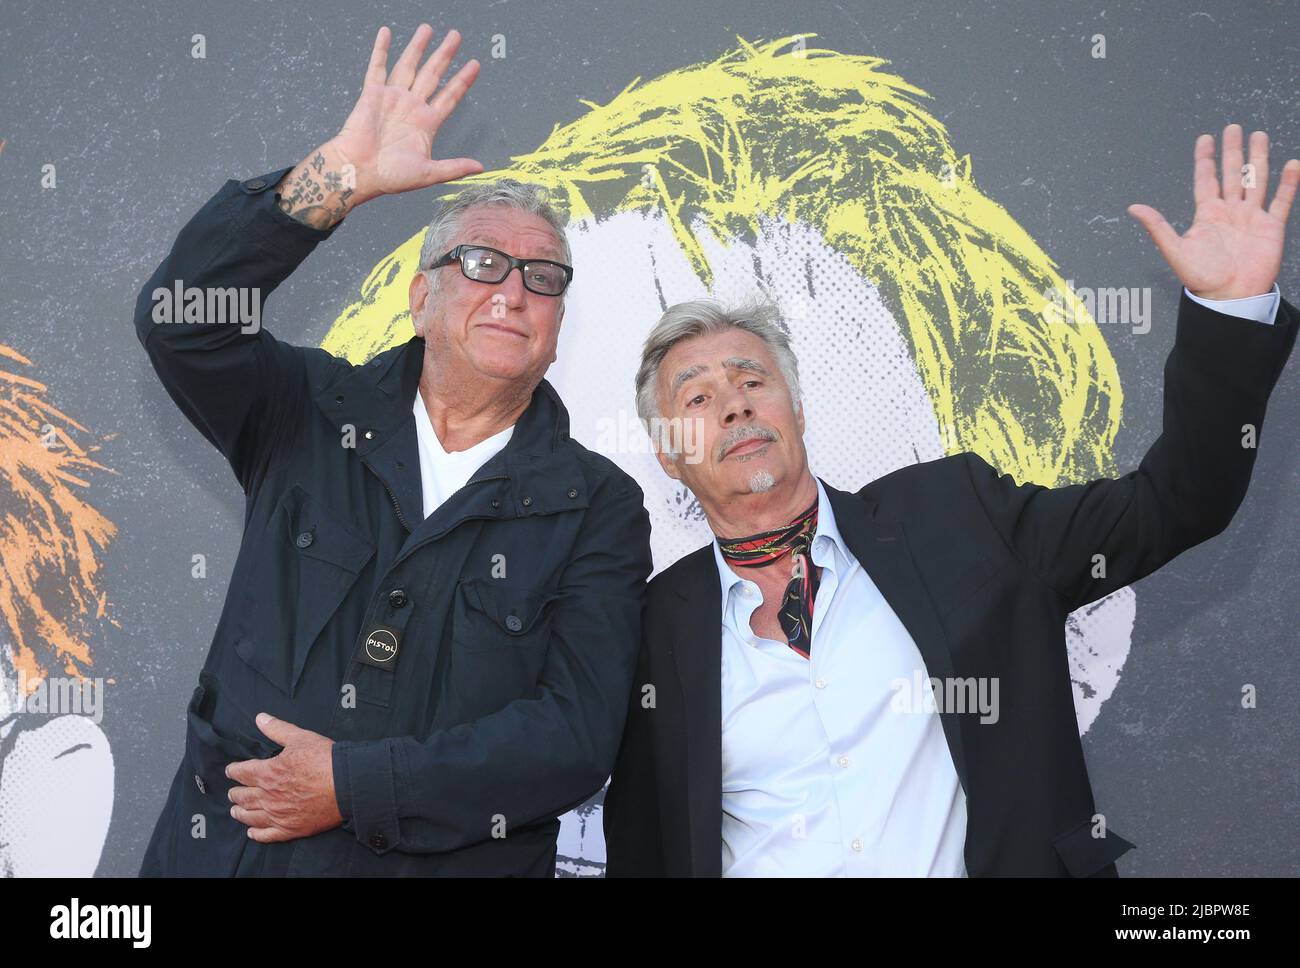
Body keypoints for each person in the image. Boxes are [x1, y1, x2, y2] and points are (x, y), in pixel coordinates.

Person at [603, 124, 1298, 875]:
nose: (734, 407)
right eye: (698, 397)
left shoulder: (956, 518)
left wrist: (1229, 314)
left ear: (796, 411)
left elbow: (1177, 503)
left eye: (751, 380)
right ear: (670, 454)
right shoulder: (648, 632)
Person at [136, 24, 651, 876]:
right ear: (422, 298)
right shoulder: (304, 411)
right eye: (482, 262)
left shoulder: (597, 505)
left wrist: (353, 784)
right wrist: (331, 182)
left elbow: (572, 739)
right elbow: (180, 322)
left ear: (558, 329)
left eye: (544, 277)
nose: (514, 292)